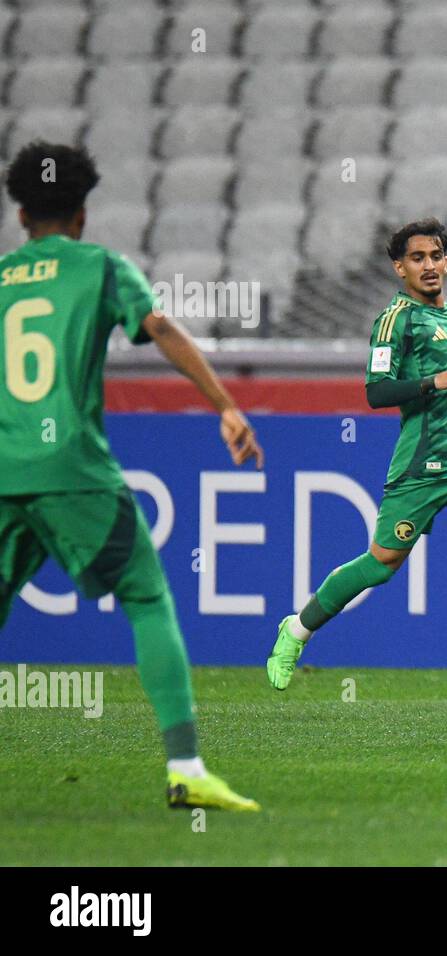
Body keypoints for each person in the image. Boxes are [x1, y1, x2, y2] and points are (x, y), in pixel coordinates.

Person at [0, 141, 263, 809]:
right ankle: (187, 770)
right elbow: (160, 325)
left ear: (21, 213)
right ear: (83, 215)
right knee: (147, 597)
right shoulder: (100, 267)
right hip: (71, 468)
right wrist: (226, 406)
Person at [267, 219, 447, 713]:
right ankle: (297, 628)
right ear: (399, 267)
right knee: (380, 565)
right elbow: (377, 392)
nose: (430, 265)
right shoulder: (396, 319)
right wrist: (436, 382)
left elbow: (446, 387)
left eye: (437, 255)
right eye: (417, 258)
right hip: (424, 465)